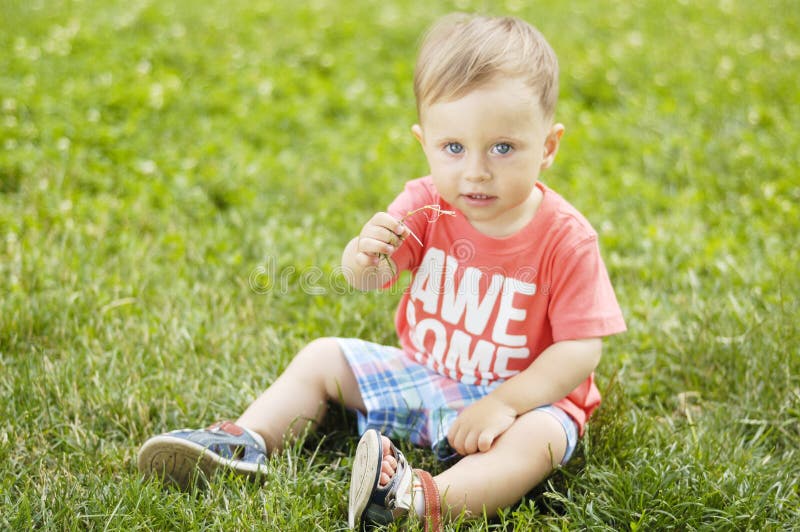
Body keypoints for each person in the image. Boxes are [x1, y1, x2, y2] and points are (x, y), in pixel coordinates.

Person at [138, 13, 626, 530]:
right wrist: (361, 258)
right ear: (425, 142)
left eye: (503, 148)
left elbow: (580, 349)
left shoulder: (565, 238)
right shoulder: (425, 204)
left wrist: (504, 404)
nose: (476, 170)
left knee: (539, 442)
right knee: (323, 356)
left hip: (523, 398)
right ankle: (246, 442)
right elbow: (371, 278)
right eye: (453, 148)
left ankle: (413, 498)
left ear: (548, 146)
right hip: (425, 374)